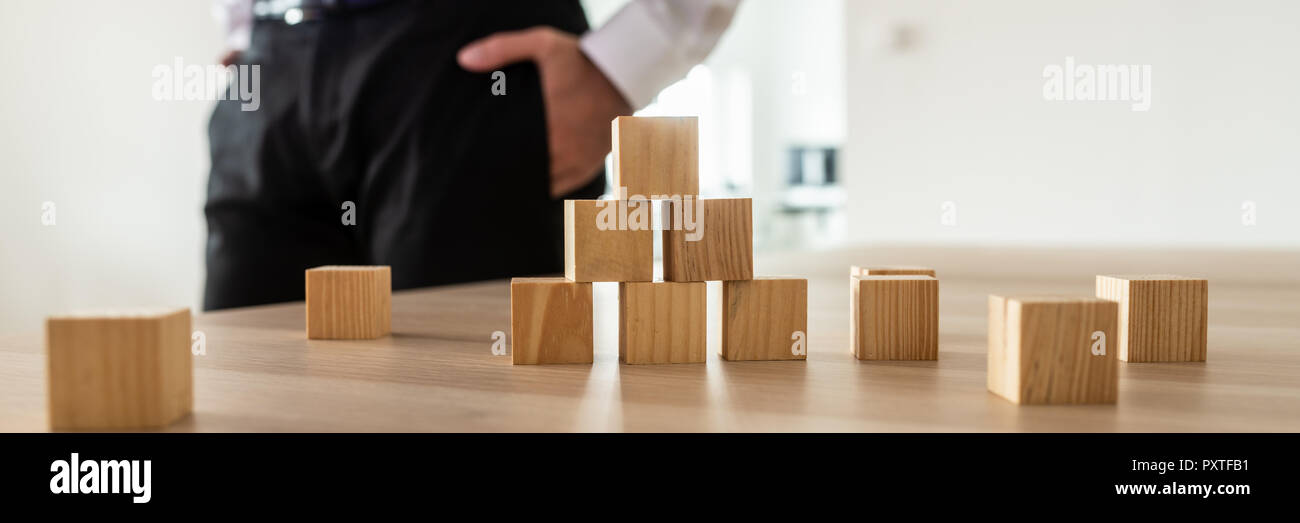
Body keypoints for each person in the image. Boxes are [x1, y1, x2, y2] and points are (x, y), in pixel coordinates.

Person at [204, 0, 740, 310]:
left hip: (471, 62)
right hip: (272, 58)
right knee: (249, 398)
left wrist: (625, 66)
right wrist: (243, 30)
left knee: (466, 400)